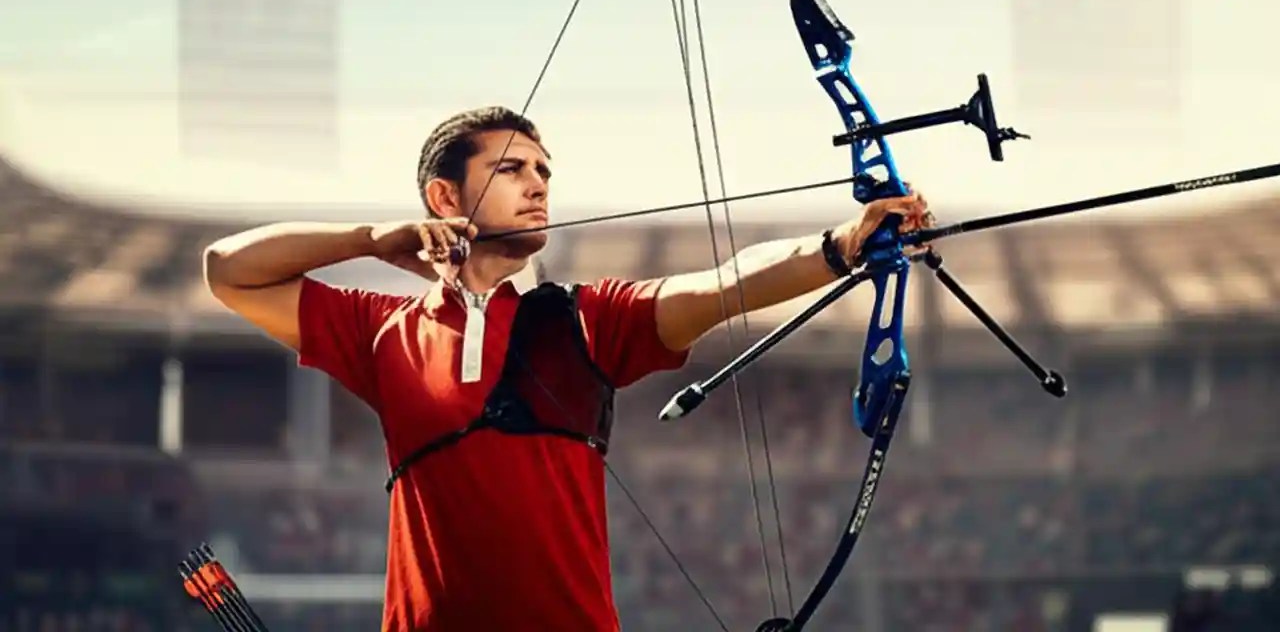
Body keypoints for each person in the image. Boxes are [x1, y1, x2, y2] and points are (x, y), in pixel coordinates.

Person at [202, 105, 932, 631]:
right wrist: (370, 237)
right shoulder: (382, 331)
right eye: (512, 168)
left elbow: (720, 285)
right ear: (444, 197)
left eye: (544, 171)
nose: (538, 184)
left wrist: (842, 245)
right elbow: (228, 270)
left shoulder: (586, 318)